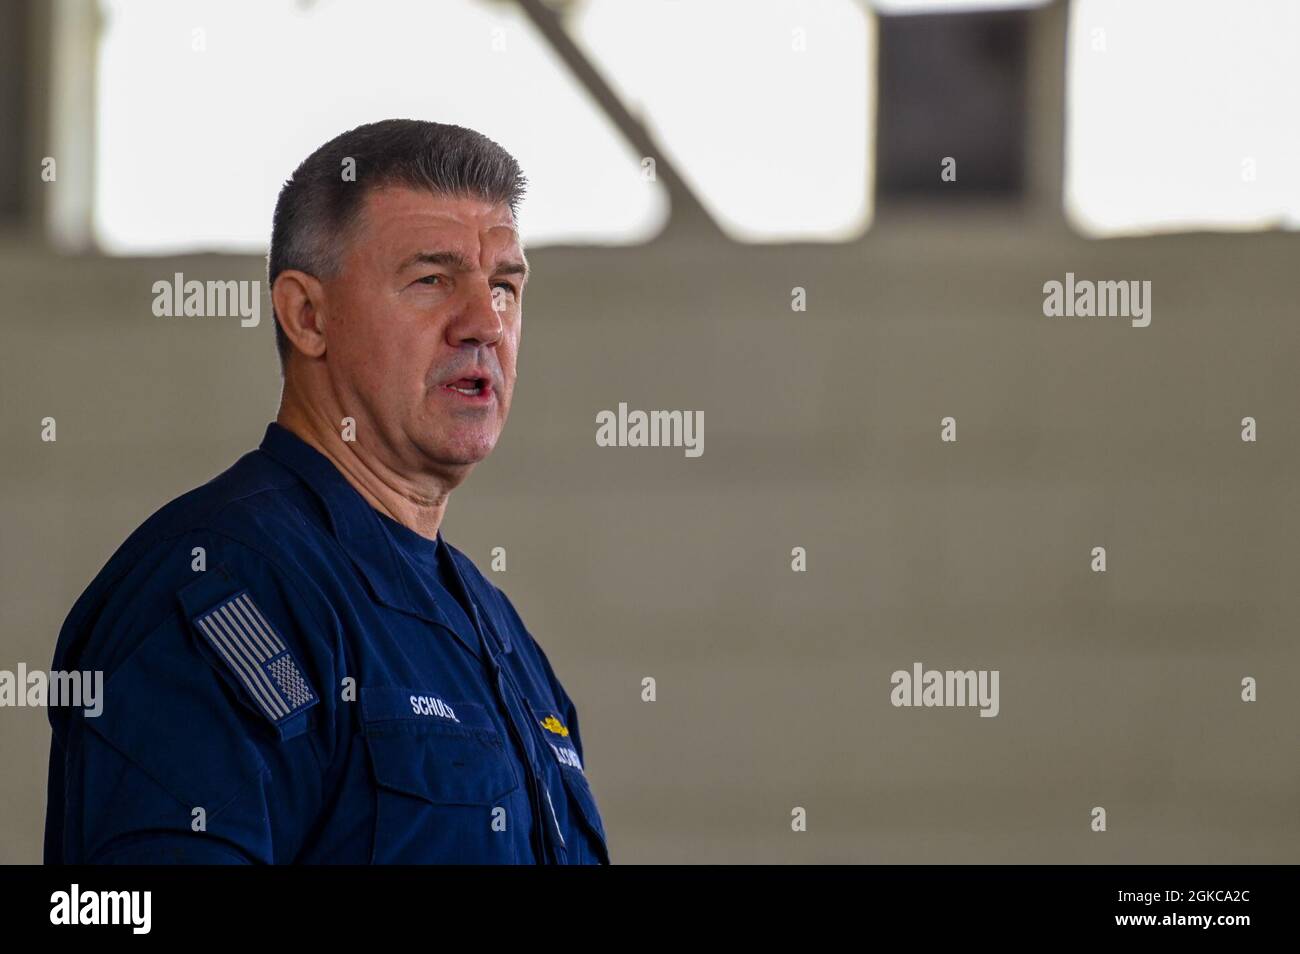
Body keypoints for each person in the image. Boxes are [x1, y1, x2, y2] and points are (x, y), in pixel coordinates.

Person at [44, 119, 609, 864]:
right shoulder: (222, 592)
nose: (484, 323)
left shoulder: (496, 632)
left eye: (505, 286)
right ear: (307, 316)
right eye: (432, 279)